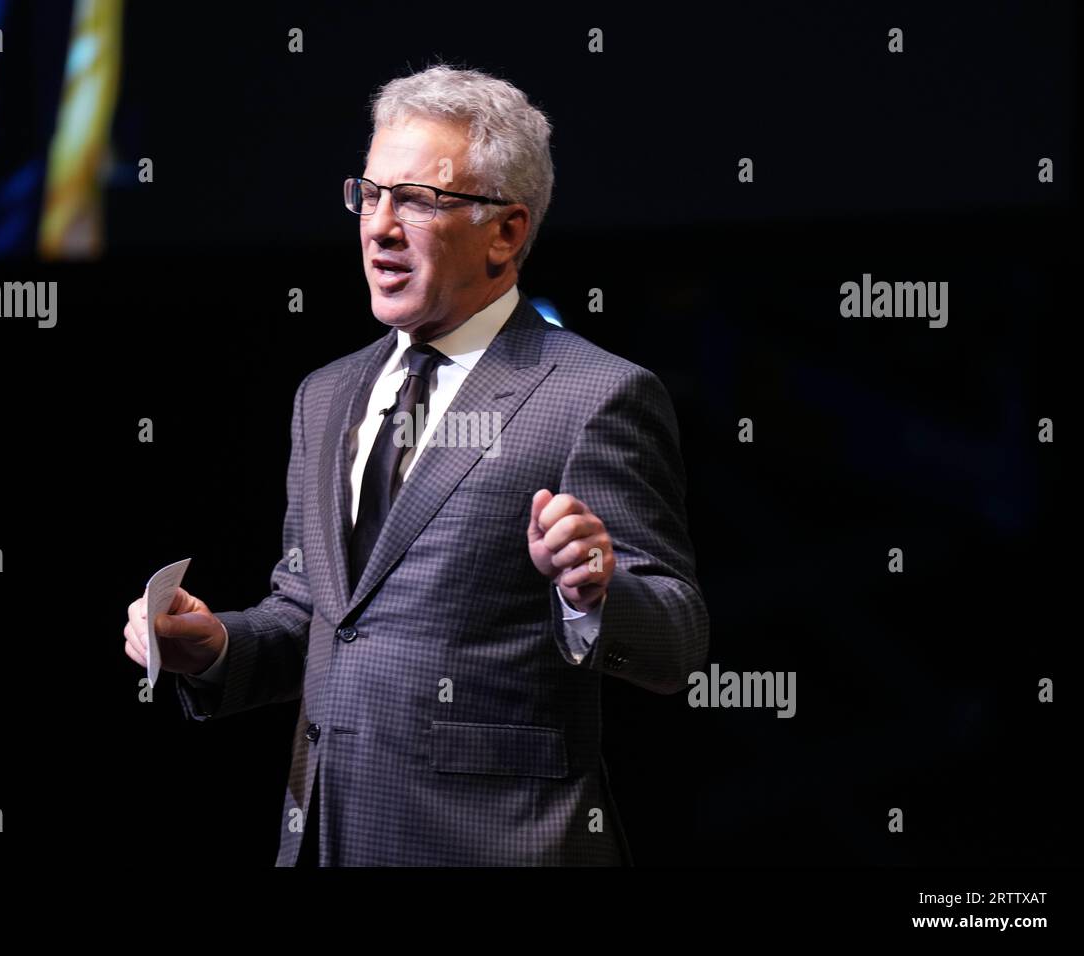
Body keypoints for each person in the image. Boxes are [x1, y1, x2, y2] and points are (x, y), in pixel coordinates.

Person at [122, 64, 709, 866]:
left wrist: (593, 590)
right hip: (327, 834)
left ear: (506, 232)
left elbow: (676, 640)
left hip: (499, 847)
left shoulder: (594, 394)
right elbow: (319, 621)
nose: (379, 227)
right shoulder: (324, 397)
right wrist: (215, 646)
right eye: (369, 194)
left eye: (419, 201)